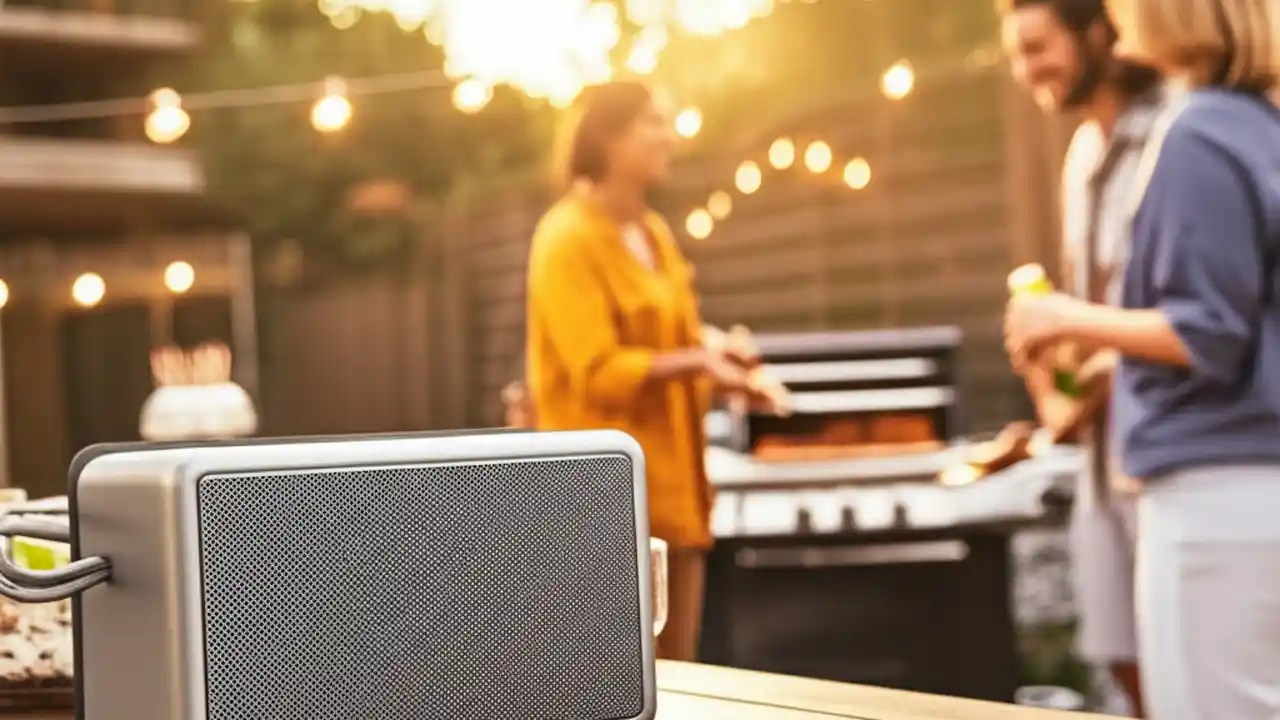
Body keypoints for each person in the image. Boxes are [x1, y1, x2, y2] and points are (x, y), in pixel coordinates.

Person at [1006, 0, 1280, 716]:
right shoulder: (1258, 123)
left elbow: (1208, 333)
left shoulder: (1196, 131)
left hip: (1211, 489)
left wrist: (1064, 319)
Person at [525, 81, 779, 661]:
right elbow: (597, 371)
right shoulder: (565, 240)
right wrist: (699, 360)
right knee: (605, 678)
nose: (669, 136)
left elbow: (677, 339)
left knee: (678, 676)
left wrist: (725, 361)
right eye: (653, 123)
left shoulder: (654, 233)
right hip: (597, 509)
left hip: (676, 499)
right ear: (608, 138)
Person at [999, 0, 1164, 712]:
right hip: (1103, 455)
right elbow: (1092, 304)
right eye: (1017, 53)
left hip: (1165, 448)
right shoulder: (1082, 155)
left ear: (1098, 30)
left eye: (1039, 45)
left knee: (1181, 654)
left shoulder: (1172, 136)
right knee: (1120, 657)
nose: (1027, 68)